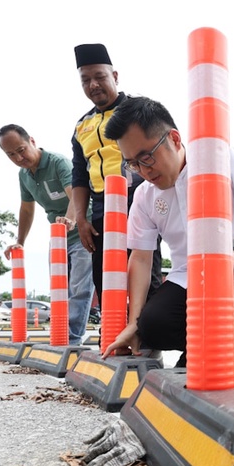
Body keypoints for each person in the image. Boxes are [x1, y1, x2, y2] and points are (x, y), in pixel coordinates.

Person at [100, 96, 234, 387]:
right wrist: (134, 323)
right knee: (151, 326)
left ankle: (233, 351)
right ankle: (197, 349)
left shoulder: (217, 158)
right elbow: (141, 258)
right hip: (187, 278)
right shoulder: (144, 196)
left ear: (174, 138)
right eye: (132, 164)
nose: (144, 171)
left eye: (147, 157)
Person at [70, 43, 161, 310]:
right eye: (85, 80)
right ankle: (111, 331)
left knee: (145, 276)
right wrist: (81, 219)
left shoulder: (139, 109)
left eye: (99, 76)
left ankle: (149, 333)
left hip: (139, 203)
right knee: (104, 279)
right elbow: (79, 176)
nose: (93, 85)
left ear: (115, 76)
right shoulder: (81, 126)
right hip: (101, 210)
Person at [0, 124, 94, 345]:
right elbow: (26, 209)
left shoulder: (57, 162)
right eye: (11, 155)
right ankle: (60, 334)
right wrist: (20, 242)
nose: (19, 158)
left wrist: (70, 220)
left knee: (79, 288)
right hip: (58, 237)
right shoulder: (24, 175)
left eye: (21, 150)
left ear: (32, 141)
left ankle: (72, 339)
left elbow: (75, 194)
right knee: (59, 289)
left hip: (82, 231)